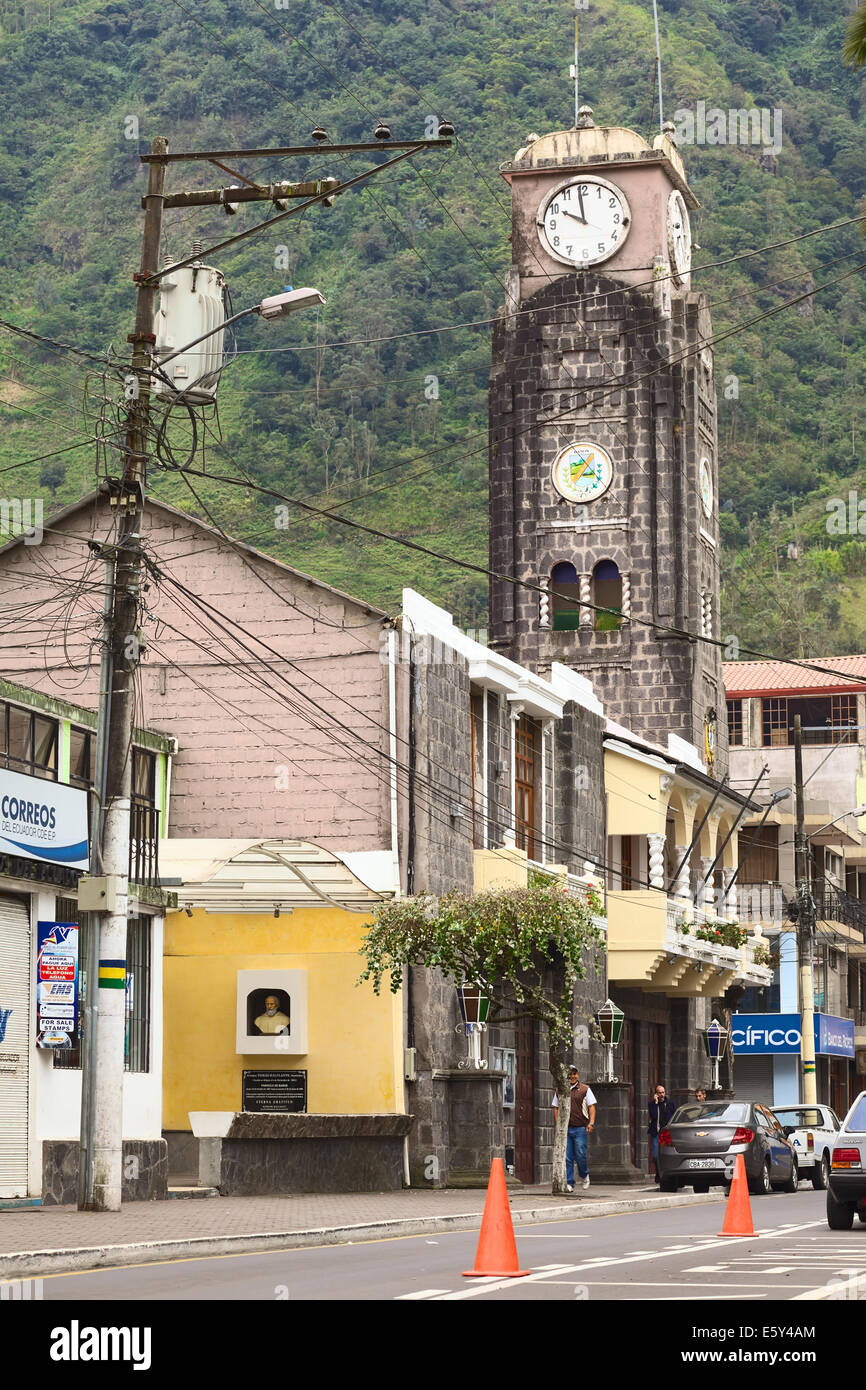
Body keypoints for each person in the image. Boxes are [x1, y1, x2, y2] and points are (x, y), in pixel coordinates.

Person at [552, 1064, 597, 1191]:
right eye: (570, 1074)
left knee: (580, 1154)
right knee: (567, 1158)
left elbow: (592, 1107)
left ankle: (584, 1175)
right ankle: (570, 1183)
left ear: (578, 1075)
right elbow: (555, 1108)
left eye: (574, 1073)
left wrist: (591, 1123)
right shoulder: (560, 1089)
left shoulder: (584, 1089)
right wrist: (558, 1126)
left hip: (580, 1128)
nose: (572, 1076)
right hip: (566, 1129)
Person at [647, 1083, 677, 1182]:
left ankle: (665, 1175)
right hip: (656, 1133)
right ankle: (658, 1172)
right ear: (656, 1094)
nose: (661, 1095)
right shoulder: (652, 1105)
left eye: (663, 1092)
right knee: (655, 1156)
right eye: (659, 1093)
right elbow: (654, 1116)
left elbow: (674, 1116)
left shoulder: (670, 1103)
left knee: (667, 1155)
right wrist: (656, 1103)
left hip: (666, 1134)